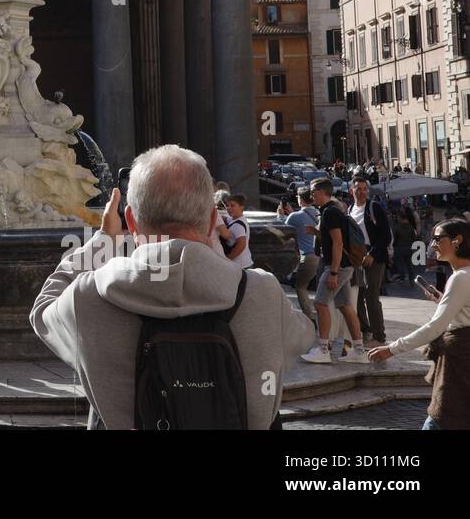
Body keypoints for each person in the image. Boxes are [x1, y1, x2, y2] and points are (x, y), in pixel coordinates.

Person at [31, 144, 316, 429]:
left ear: (130, 221)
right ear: (211, 221)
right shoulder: (262, 293)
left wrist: (103, 240)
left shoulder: (89, 297)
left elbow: (42, 310)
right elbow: (304, 335)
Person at [369, 218, 470, 428]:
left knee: (439, 420)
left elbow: (435, 327)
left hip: (459, 361)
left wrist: (392, 349)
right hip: (463, 359)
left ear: (457, 241)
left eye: (437, 238)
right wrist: (446, 301)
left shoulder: (460, 278)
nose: (432, 244)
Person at [299, 177, 369, 364]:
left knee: (320, 303)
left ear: (322, 192)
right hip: (346, 265)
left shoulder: (330, 212)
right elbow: (336, 239)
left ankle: (323, 349)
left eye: (313, 191)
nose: (311, 195)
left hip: (338, 266)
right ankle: (359, 351)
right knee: (345, 306)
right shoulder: (332, 211)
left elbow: (338, 243)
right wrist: (317, 233)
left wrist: (334, 272)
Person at [350, 175, 391, 346]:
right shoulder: (350, 208)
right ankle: (365, 329)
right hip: (356, 255)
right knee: (357, 295)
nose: (361, 192)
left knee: (371, 296)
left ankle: (379, 336)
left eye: (364, 189)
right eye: (358, 189)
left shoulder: (374, 207)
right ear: (351, 190)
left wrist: (372, 254)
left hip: (375, 256)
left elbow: (386, 236)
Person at [283, 188, 320, 321]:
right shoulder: (318, 213)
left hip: (308, 257)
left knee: (300, 287)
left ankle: (309, 317)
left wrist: (281, 215)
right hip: (321, 256)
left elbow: (283, 230)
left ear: (300, 199)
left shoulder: (294, 216)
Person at [217, 192, 253, 269]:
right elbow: (225, 218)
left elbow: (241, 244)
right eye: (227, 205)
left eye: (232, 205)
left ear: (241, 207)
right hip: (243, 263)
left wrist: (228, 258)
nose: (228, 208)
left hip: (241, 266)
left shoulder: (238, 225)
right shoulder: (235, 219)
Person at [393, 208, 418, 283]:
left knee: (400, 264)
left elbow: (394, 238)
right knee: (409, 264)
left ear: (400, 218)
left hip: (399, 247)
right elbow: (414, 237)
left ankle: (402, 278)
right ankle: (411, 278)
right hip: (409, 247)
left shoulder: (397, 227)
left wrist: (395, 245)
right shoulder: (411, 227)